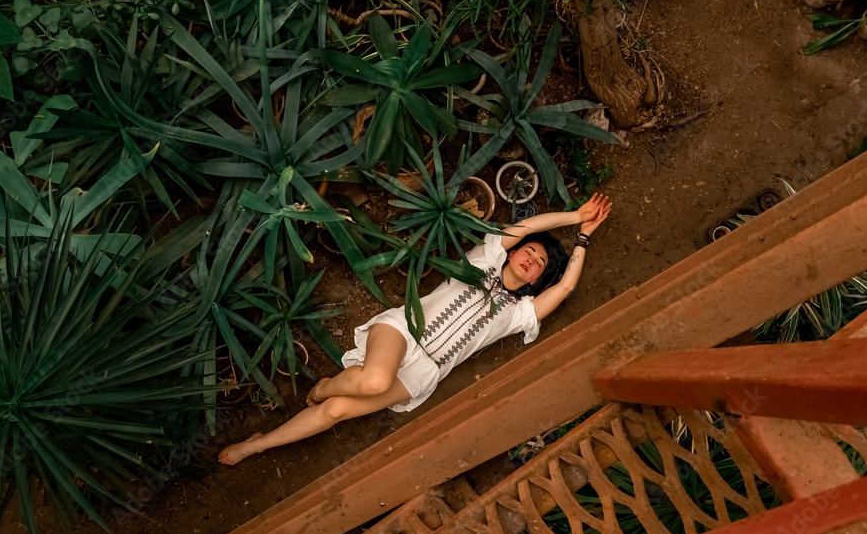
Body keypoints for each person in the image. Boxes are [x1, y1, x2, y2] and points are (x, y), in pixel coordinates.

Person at [219, 193, 612, 465]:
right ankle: (323, 386)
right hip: (404, 330)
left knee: (337, 411)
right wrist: (576, 217)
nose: (532, 258)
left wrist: (584, 239)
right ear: (513, 251)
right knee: (371, 383)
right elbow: (525, 226)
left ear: (534, 281)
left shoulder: (517, 314)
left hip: (423, 372)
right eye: (530, 251)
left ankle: (258, 445)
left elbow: (566, 287)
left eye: (540, 262)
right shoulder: (484, 259)